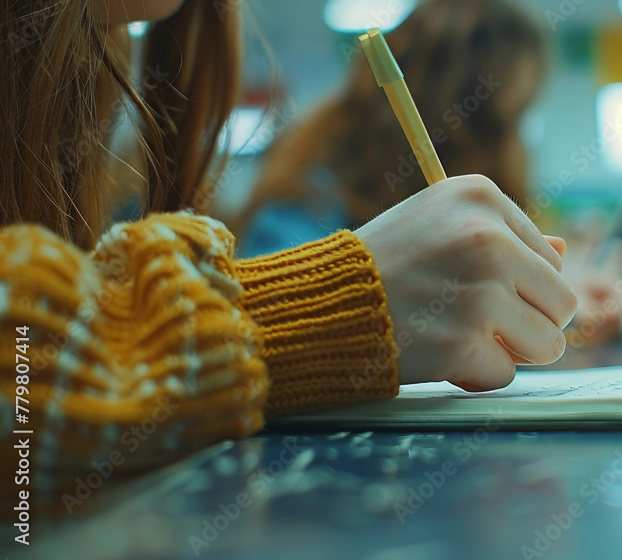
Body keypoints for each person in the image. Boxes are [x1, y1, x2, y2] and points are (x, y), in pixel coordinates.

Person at [0, 0, 576, 509]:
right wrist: (327, 305)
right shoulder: (310, 193)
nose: (517, 139)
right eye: (511, 115)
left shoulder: (76, 90)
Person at [232, 0, 545, 256]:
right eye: (503, 119)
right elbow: (269, 310)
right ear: (455, 123)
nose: (513, 143)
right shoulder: (311, 199)